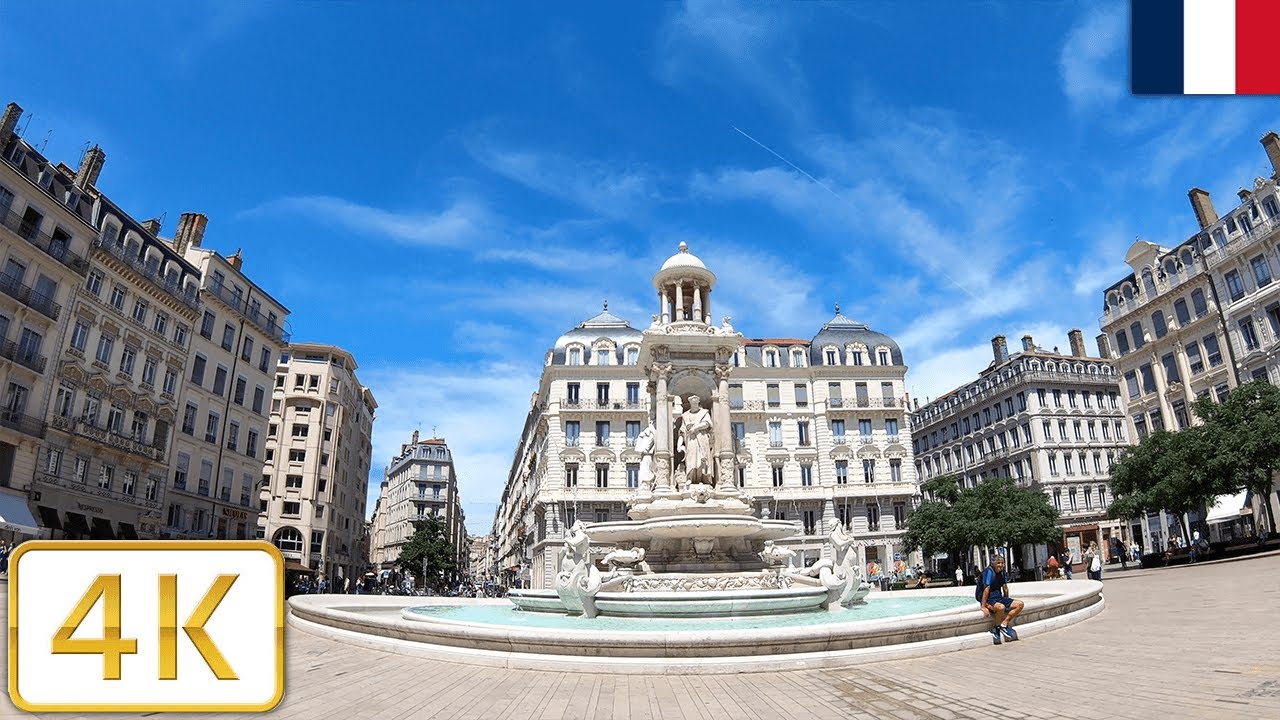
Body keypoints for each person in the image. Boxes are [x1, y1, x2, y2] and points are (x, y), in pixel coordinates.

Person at [978, 555, 1023, 644]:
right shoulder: (989, 572)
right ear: (993, 563)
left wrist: (1007, 601)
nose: (1001, 565)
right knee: (1001, 607)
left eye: (1002, 563)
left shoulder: (1002, 572)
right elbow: (986, 589)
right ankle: (996, 628)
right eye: (998, 563)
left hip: (999, 597)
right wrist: (983, 606)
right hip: (990, 598)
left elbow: (1005, 588)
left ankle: (1004, 623)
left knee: (1020, 604)